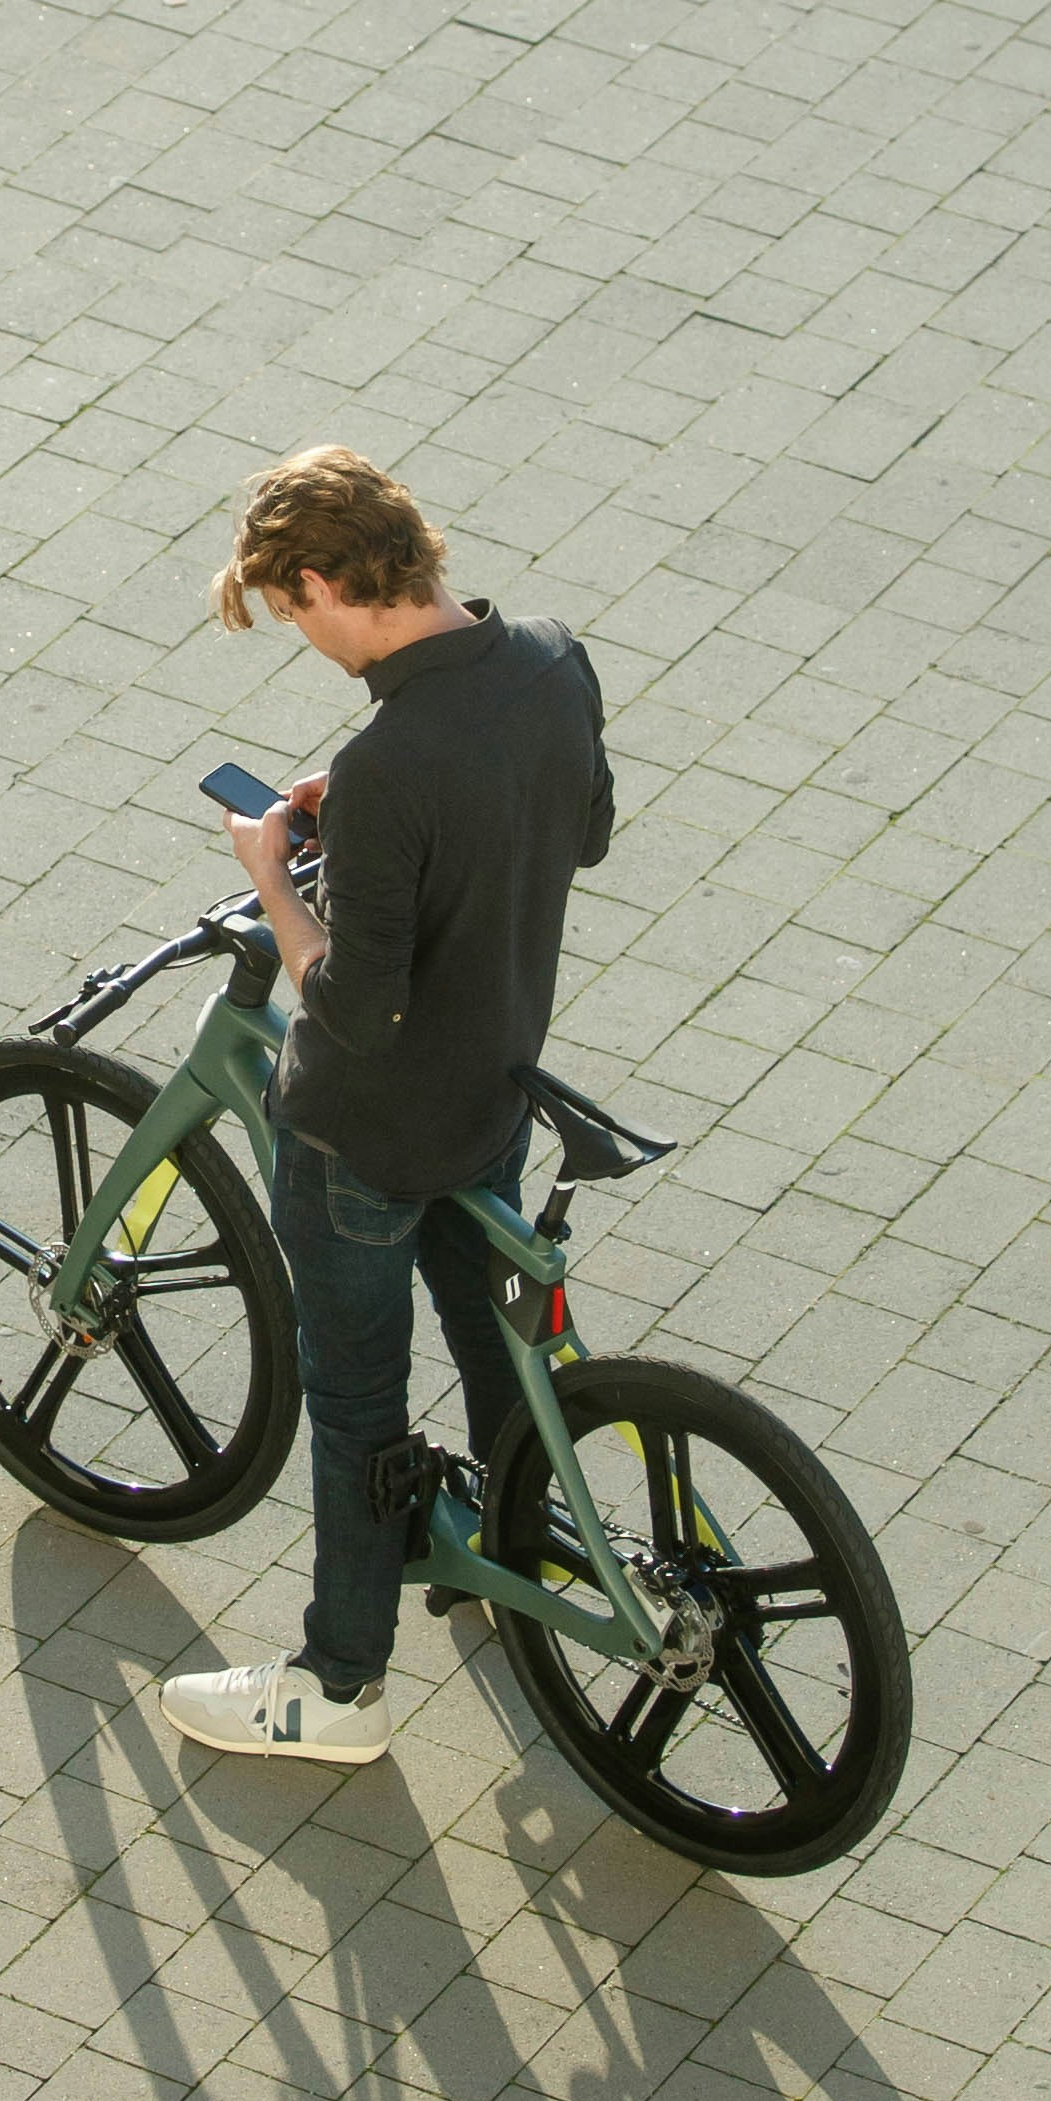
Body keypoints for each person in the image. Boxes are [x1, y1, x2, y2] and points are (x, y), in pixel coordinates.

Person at [159, 447, 613, 1768]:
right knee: (488, 1338)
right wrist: (360, 817)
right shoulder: (550, 658)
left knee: (358, 1407)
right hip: (498, 1089)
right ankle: (506, 1557)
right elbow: (577, 833)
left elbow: (351, 1002)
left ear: (318, 585)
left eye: (291, 616)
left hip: (367, 1129)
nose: (300, 638)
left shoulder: (387, 764)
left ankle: (338, 1687)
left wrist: (281, 871)